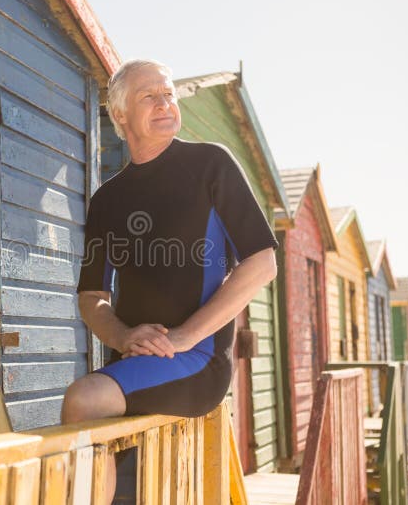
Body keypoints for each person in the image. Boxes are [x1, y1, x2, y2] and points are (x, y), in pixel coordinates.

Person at [61, 59, 279, 503]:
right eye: (149, 96)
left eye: (169, 94)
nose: (165, 103)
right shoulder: (108, 199)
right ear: (120, 115)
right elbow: (92, 298)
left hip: (197, 359)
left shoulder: (210, 164)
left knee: (82, 399)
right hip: (133, 362)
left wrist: (181, 337)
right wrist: (124, 335)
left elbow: (261, 263)